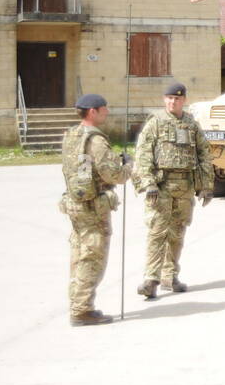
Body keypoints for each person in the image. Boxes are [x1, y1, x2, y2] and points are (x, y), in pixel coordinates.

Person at [133, 82, 213, 299]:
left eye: (177, 99)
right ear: (164, 99)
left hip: (185, 187)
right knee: (157, 232)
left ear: (183, 100)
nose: (172, 102)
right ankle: (151, 279)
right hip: (161, 186)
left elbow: (204, 154)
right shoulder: (155, 123)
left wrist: (206, 186)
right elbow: (143, 154)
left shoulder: (191, 124)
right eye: (169, 98)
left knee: (178, 233)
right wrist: (148, 182)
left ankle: (170, 276)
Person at [60, 94, 132, 326]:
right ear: (92, 111)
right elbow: (114, 175)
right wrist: (128, 165)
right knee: (92, 258)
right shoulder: (96, 140)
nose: (107, 112)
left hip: (75, 203)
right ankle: (81, 310)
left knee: (79, 255)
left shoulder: (72, 135)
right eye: (104, 109)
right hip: (92, 208)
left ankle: (79, 304)